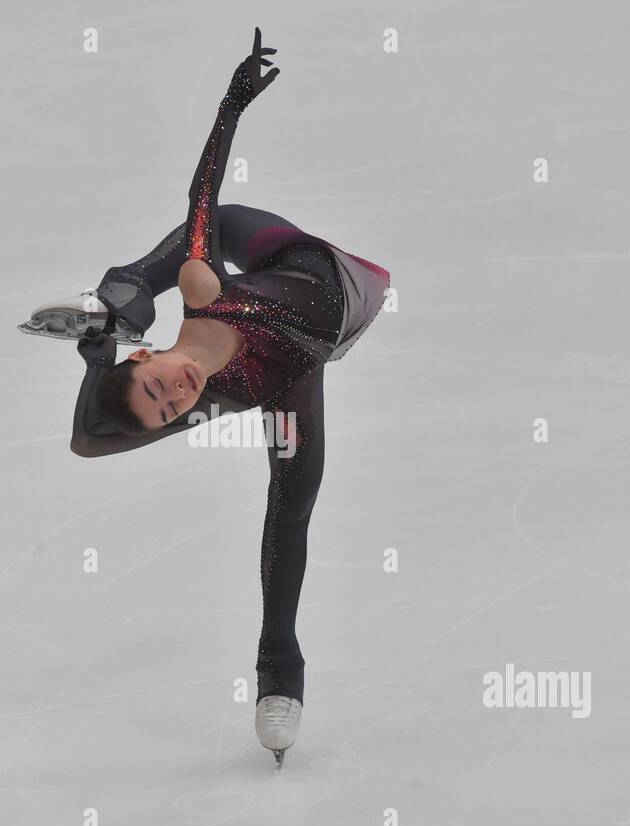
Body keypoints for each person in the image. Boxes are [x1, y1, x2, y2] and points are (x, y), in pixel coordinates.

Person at [54, 28, 390, 766]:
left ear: (148, 358)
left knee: (186, 246)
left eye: (155, 382)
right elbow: (89, 440)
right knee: (291, 502)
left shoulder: (205, 290)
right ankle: (281, 673)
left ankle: (126, 295)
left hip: (297, 258)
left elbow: (202, 194)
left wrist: (232, 101)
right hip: (308, 361)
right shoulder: (218, 398)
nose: (177, 394)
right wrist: (94, 364)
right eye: (171, 408)